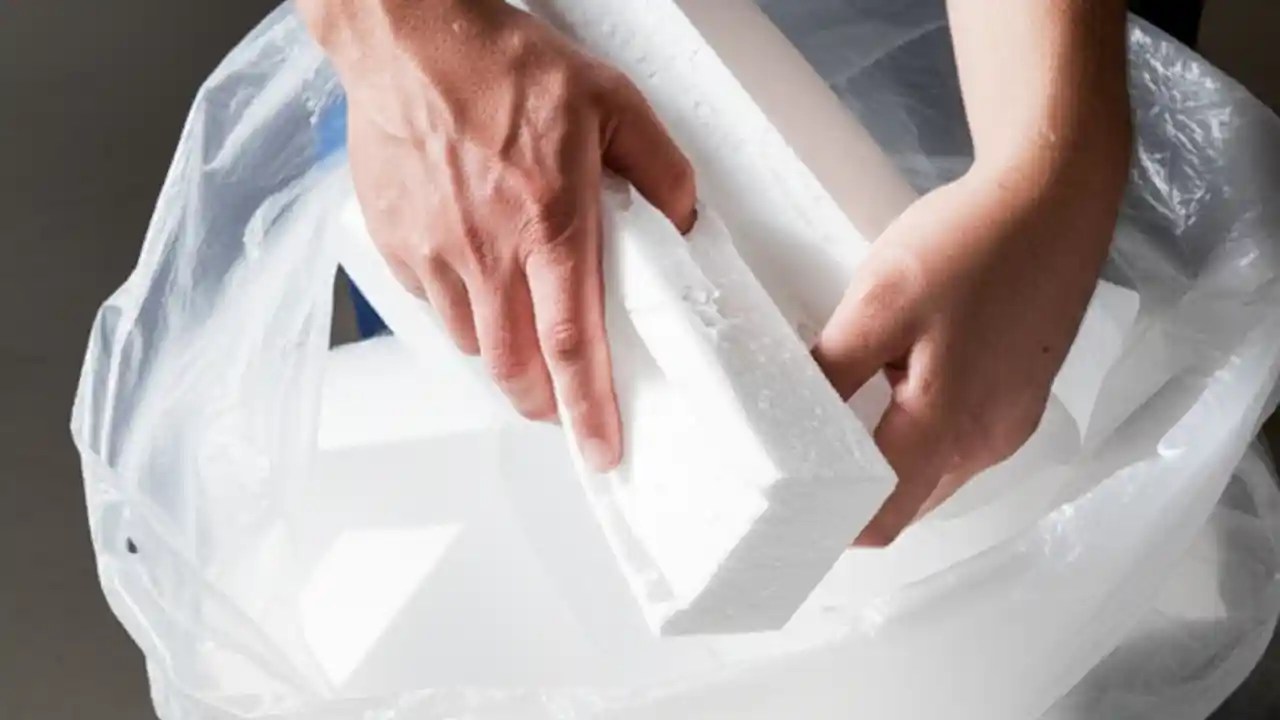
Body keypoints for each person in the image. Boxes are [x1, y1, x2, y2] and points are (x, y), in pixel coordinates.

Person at [298, 0, 1138, 546]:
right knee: (511, 528)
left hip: (989, 52)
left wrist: (1051, 166)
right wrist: (386, 32)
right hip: (461, 91)